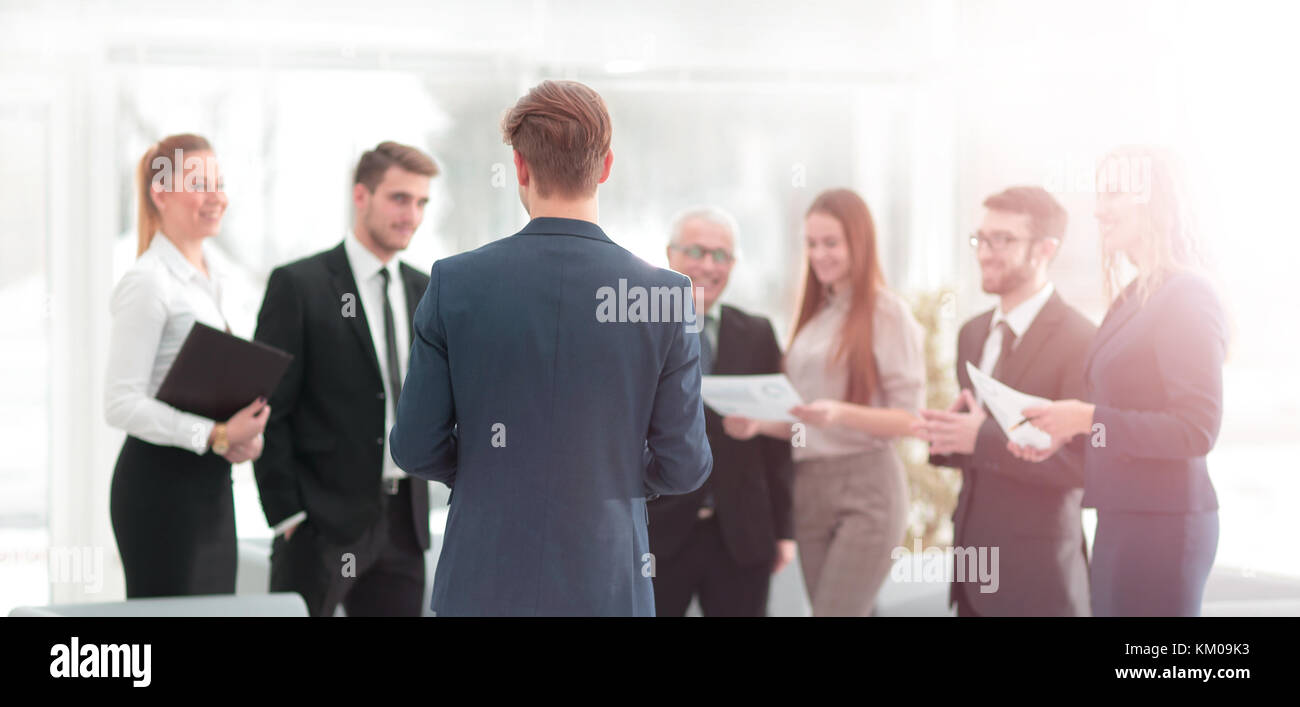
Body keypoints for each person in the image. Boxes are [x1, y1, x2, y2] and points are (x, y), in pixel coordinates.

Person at [389, 80, 712, 616]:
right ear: (605, 166)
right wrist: (606, 470)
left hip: (482, 583)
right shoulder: (665, 297)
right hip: (607, 583)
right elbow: (684, 465)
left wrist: (494, 471)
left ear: (519, 166)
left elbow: (415, 446)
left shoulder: (455, 283)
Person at [1010, 147, 1227, 617]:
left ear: (1156, 200)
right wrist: (1065, 436)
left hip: (1164, 525)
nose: (1098, 209)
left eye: (1113, 193)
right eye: (1098, 194)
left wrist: (1086, 417)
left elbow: (1196, 429)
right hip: (1123, 517)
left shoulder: (1186, 295)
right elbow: (1121, 417)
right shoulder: (1134, 296)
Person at [253, 141, 438, 617]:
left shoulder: (428, 290)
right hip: (320, 524)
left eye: (421, 203)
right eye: (399, 198)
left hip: (404, 523)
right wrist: (287, 514)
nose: (412, 215)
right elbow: (267, 407)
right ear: (361, 196)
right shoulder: (300, 285)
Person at [723, 188, 924, 617]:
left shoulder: (886, 314)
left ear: (859, 242)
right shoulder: (814, 317)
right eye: (811, 244)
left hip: (867, 489)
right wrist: (759, 425)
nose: (819, 254)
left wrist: (840, 413)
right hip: (810, 487)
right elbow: (804, 418)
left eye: (830, 243)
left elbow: (911, 419)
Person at [913, 186, 1095, 616]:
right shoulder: (973, 334)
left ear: (1045, 249)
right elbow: (980, 453)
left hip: (1040, 577)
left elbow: (1083, 465)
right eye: (981, 238)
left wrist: (982, 438)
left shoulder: (1082, 340)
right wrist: (948, 438)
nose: (985, 252)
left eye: (1004, 240)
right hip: (974, 573)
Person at [105, 133, 269, 598]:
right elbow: (119, 404)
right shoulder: (148, 282)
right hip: (158, 490)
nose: (218, 196)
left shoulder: (216, 280)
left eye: (219, 183)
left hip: (211, 487)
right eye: (201, 183)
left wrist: (240, 437)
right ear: (161, 192)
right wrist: (215, 435)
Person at [649, 206, 795, 617]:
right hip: (657, 534)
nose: (708, 266)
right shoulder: (639, 331)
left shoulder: (758, 333)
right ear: (670, 254)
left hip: (740, 535)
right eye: (696, 251)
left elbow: (776, 445)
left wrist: (784, 529)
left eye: (721, 256)